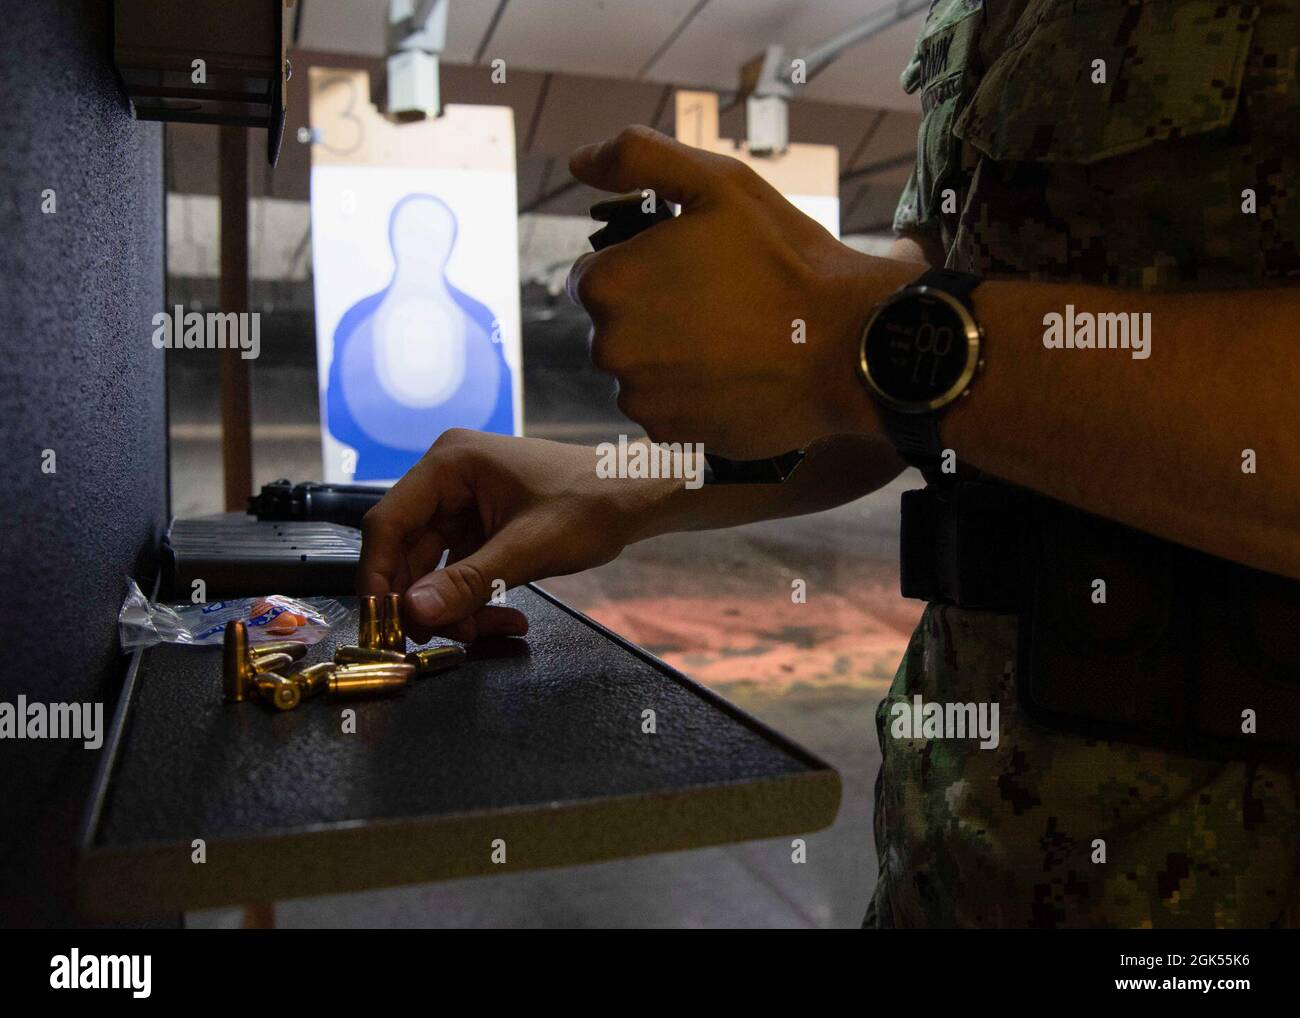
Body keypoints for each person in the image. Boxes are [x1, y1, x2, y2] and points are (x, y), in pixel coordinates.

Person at [358, 0, 1300, 927]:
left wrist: (846, 333)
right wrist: (626, 482)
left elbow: (897, 340)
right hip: (962, 852)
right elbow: (935, 303)